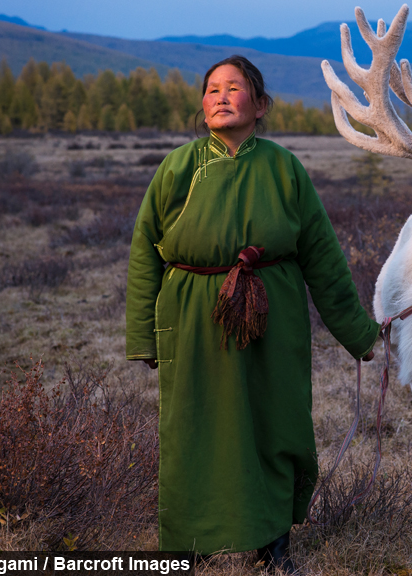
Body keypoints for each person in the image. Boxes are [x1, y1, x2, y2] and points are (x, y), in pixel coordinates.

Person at [125, 55, 379, 572]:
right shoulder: (177, 167)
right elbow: (145, 252)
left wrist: (360, 333)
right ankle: (188, 545)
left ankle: (272, 546)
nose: (220, 96)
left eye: (234, 88)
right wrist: (146, 337)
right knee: (194, 428)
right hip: (195, 317)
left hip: (273, 316)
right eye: (212, 89)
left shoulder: (284, 168)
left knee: (275, 424)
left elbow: (324, 258)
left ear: (259, 105)